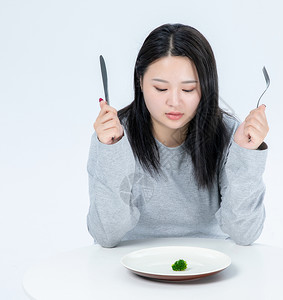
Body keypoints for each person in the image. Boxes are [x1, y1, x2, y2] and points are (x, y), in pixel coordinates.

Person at [87, 23, 269, 248]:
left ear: (207, 86)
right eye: (161, 89)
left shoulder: (229, 133)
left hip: (209, 263)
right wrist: (112, 151)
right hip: (130, 264)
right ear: (140, 82)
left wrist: (246, 153)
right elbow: (106, 235)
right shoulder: (113, 134)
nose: (174, 101)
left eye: (188, 89)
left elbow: (245, 234)